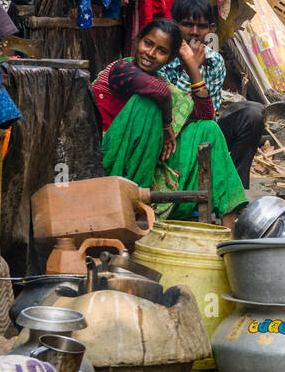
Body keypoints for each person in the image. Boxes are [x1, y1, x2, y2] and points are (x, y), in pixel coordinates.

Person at [92, 18, 248, 228]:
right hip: (106, 161)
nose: (150, 53)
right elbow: (159, 93)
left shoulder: (160, 80)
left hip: (147, 162)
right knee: (147, 103)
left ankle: (231, 219)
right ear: (137, 41)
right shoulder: (120, 69)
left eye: (161, 51)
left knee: (208, 129)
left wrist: (191, 64)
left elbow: (205, 114)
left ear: (169, 59)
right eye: (148, 44)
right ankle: (135, 207)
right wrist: (167, 127)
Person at [159, 0, 265, 189]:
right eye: (187, 24)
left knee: (253, 114)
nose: (194, 32)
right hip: (167, 133)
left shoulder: (214, 61)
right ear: (174, 25)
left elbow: (208, 115)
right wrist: (191, 67)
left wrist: (195, 67)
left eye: (201, 26)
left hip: (204, 129)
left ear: (211, 29)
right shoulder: (162, 55)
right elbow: (172, 109)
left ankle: (232, 187)